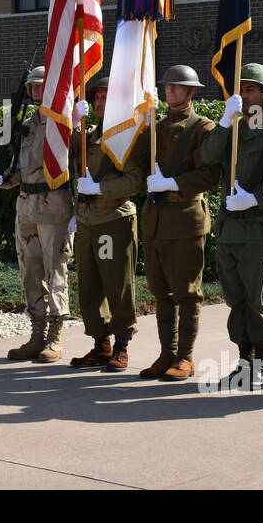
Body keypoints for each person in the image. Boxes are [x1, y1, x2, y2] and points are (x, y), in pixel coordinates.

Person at [199, 63, 263, 390]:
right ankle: (244, 360)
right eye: (241, 88)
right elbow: (208, 156)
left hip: (261, 231)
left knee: (259, 299)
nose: (245, 93)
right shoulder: (232, 130)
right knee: (235, 299)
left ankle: (261, 362)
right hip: (230, 232)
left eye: (252, 88)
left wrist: (255, 199)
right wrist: (224, 122)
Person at [0, 66, 78, 364]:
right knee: (31, 271)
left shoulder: (63, 124)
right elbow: (19, 167)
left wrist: (76, 209)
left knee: (55, 270)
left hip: (55, 206)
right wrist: (2, 180)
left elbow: (74, 168)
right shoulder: (26, 124)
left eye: (41, 85)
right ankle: (37, 335)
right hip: (26, 206)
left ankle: (54, 337)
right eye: (33, 86)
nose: (36, 90)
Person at [141, 65, 222, 381]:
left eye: (177, 86)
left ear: (192, 91)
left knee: (187, 292)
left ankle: (185, 357)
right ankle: (167, 353)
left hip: (185, 221)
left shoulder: (203, 128)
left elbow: (210, 174)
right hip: (155, 221)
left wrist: (172, 184)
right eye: (167, 86)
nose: (170, 90)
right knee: (161, 292)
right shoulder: (155, 126)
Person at [69, 77, 146, 372]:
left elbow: (135, 179)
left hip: (112, 219)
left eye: (106, 98)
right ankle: (100, 343)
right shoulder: (86, 135)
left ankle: (122, 344)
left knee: (117, 284)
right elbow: (61, 152)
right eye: (97, 98)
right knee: (89, 287)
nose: (100, 103)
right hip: (87, 221)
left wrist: (100, 189)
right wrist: (71, 120)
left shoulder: (123, 137)